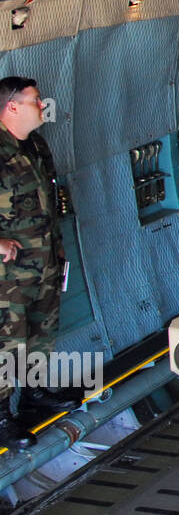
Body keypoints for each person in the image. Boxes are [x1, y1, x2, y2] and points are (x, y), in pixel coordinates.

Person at [0, 77, 74, 447]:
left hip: (42, 263)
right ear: (12, 107)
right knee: (6, 343)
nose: (43, 105)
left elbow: (49, 198)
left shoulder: (36, 146)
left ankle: (33, 394)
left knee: (41, 333)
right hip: (7, 276)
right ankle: (1, 418)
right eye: (34, 100)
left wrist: (57, 246)